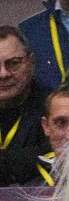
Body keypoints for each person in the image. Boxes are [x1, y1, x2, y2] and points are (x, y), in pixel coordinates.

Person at [0, 26, 52, 186]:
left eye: (13, 63)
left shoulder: (54, 108)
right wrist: (27, 160)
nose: (3, 74)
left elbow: (56, 161)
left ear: (31, 63)